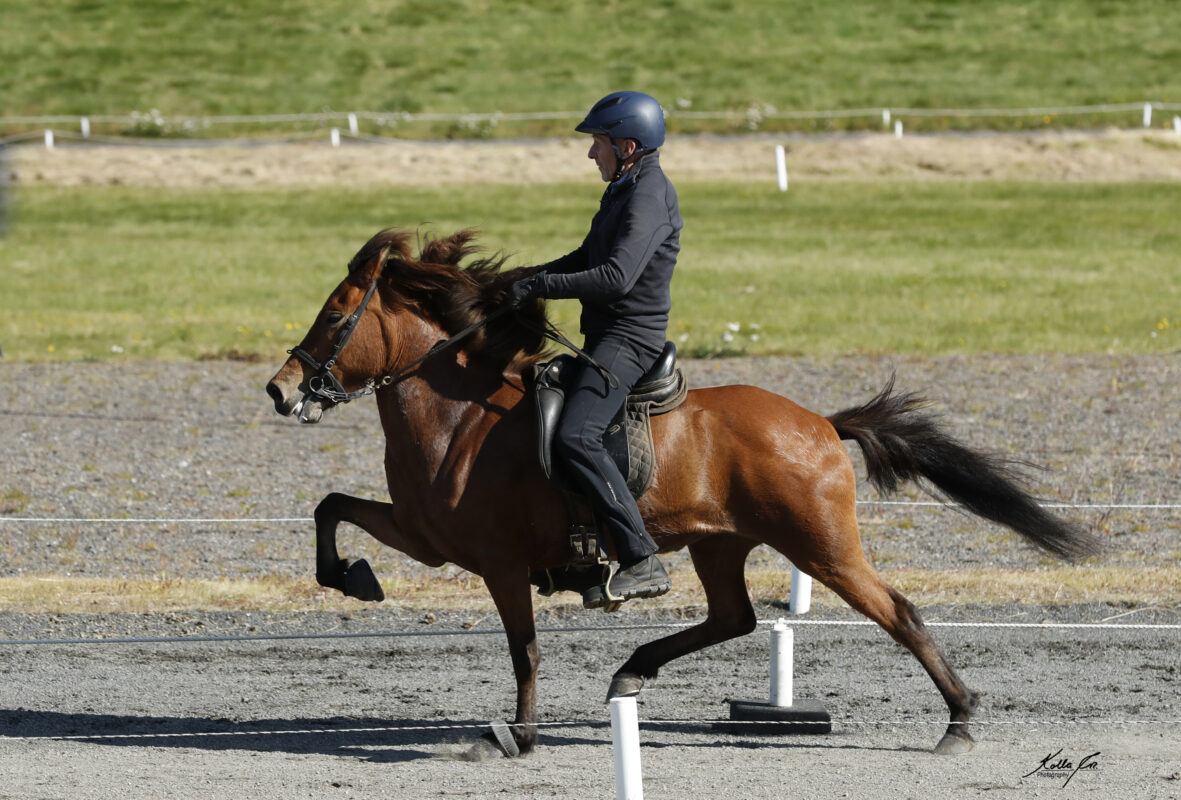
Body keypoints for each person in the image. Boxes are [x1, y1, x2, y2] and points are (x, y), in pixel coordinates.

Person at [506, 90, 683, 608]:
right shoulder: (625, 187)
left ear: (627, 145)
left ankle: (639, 558)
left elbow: (614, 276)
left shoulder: (648, 195)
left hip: (630, 339)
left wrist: (540, 289)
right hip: (608, 335)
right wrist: (525, 276)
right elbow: (586, 255)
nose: (591, 154)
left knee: (577, 436)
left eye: (598, 144)